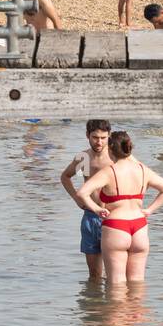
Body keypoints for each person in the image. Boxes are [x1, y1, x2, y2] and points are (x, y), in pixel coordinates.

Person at [74, 131, 163, 285]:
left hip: (116, 226)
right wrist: (149, 210)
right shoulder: (142, 169)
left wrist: (96, 209)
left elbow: (82, 193)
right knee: (137, 283)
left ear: (110, 149)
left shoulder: (109, 172)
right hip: (139, 226)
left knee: (116, 284)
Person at [60, 118, 112, 278]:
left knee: (114, 275)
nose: (99, 142)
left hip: (112, 217)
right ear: (87, 136)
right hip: (90, 216)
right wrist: (77, 199)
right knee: (94, 275)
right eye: (95, 137)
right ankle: (94, 302)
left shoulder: (115, 156)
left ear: (109, 136)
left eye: (103, 138)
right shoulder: (84, 157)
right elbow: (65, 177)